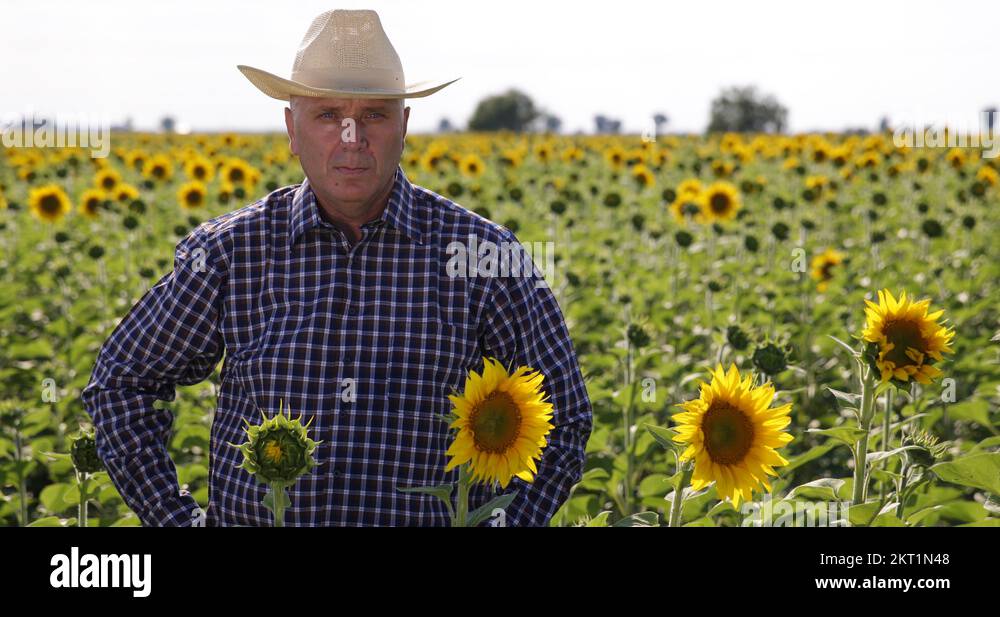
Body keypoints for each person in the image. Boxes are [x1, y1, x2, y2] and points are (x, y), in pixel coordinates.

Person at [82, 8, 592, 526]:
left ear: (404, 126)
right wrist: (174, 519)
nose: (352, 138)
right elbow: (123, 382)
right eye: (328, 115)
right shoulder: (231, 252)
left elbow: (564, 418)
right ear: (291, 128)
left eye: (374, 114)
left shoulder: (483, 258)